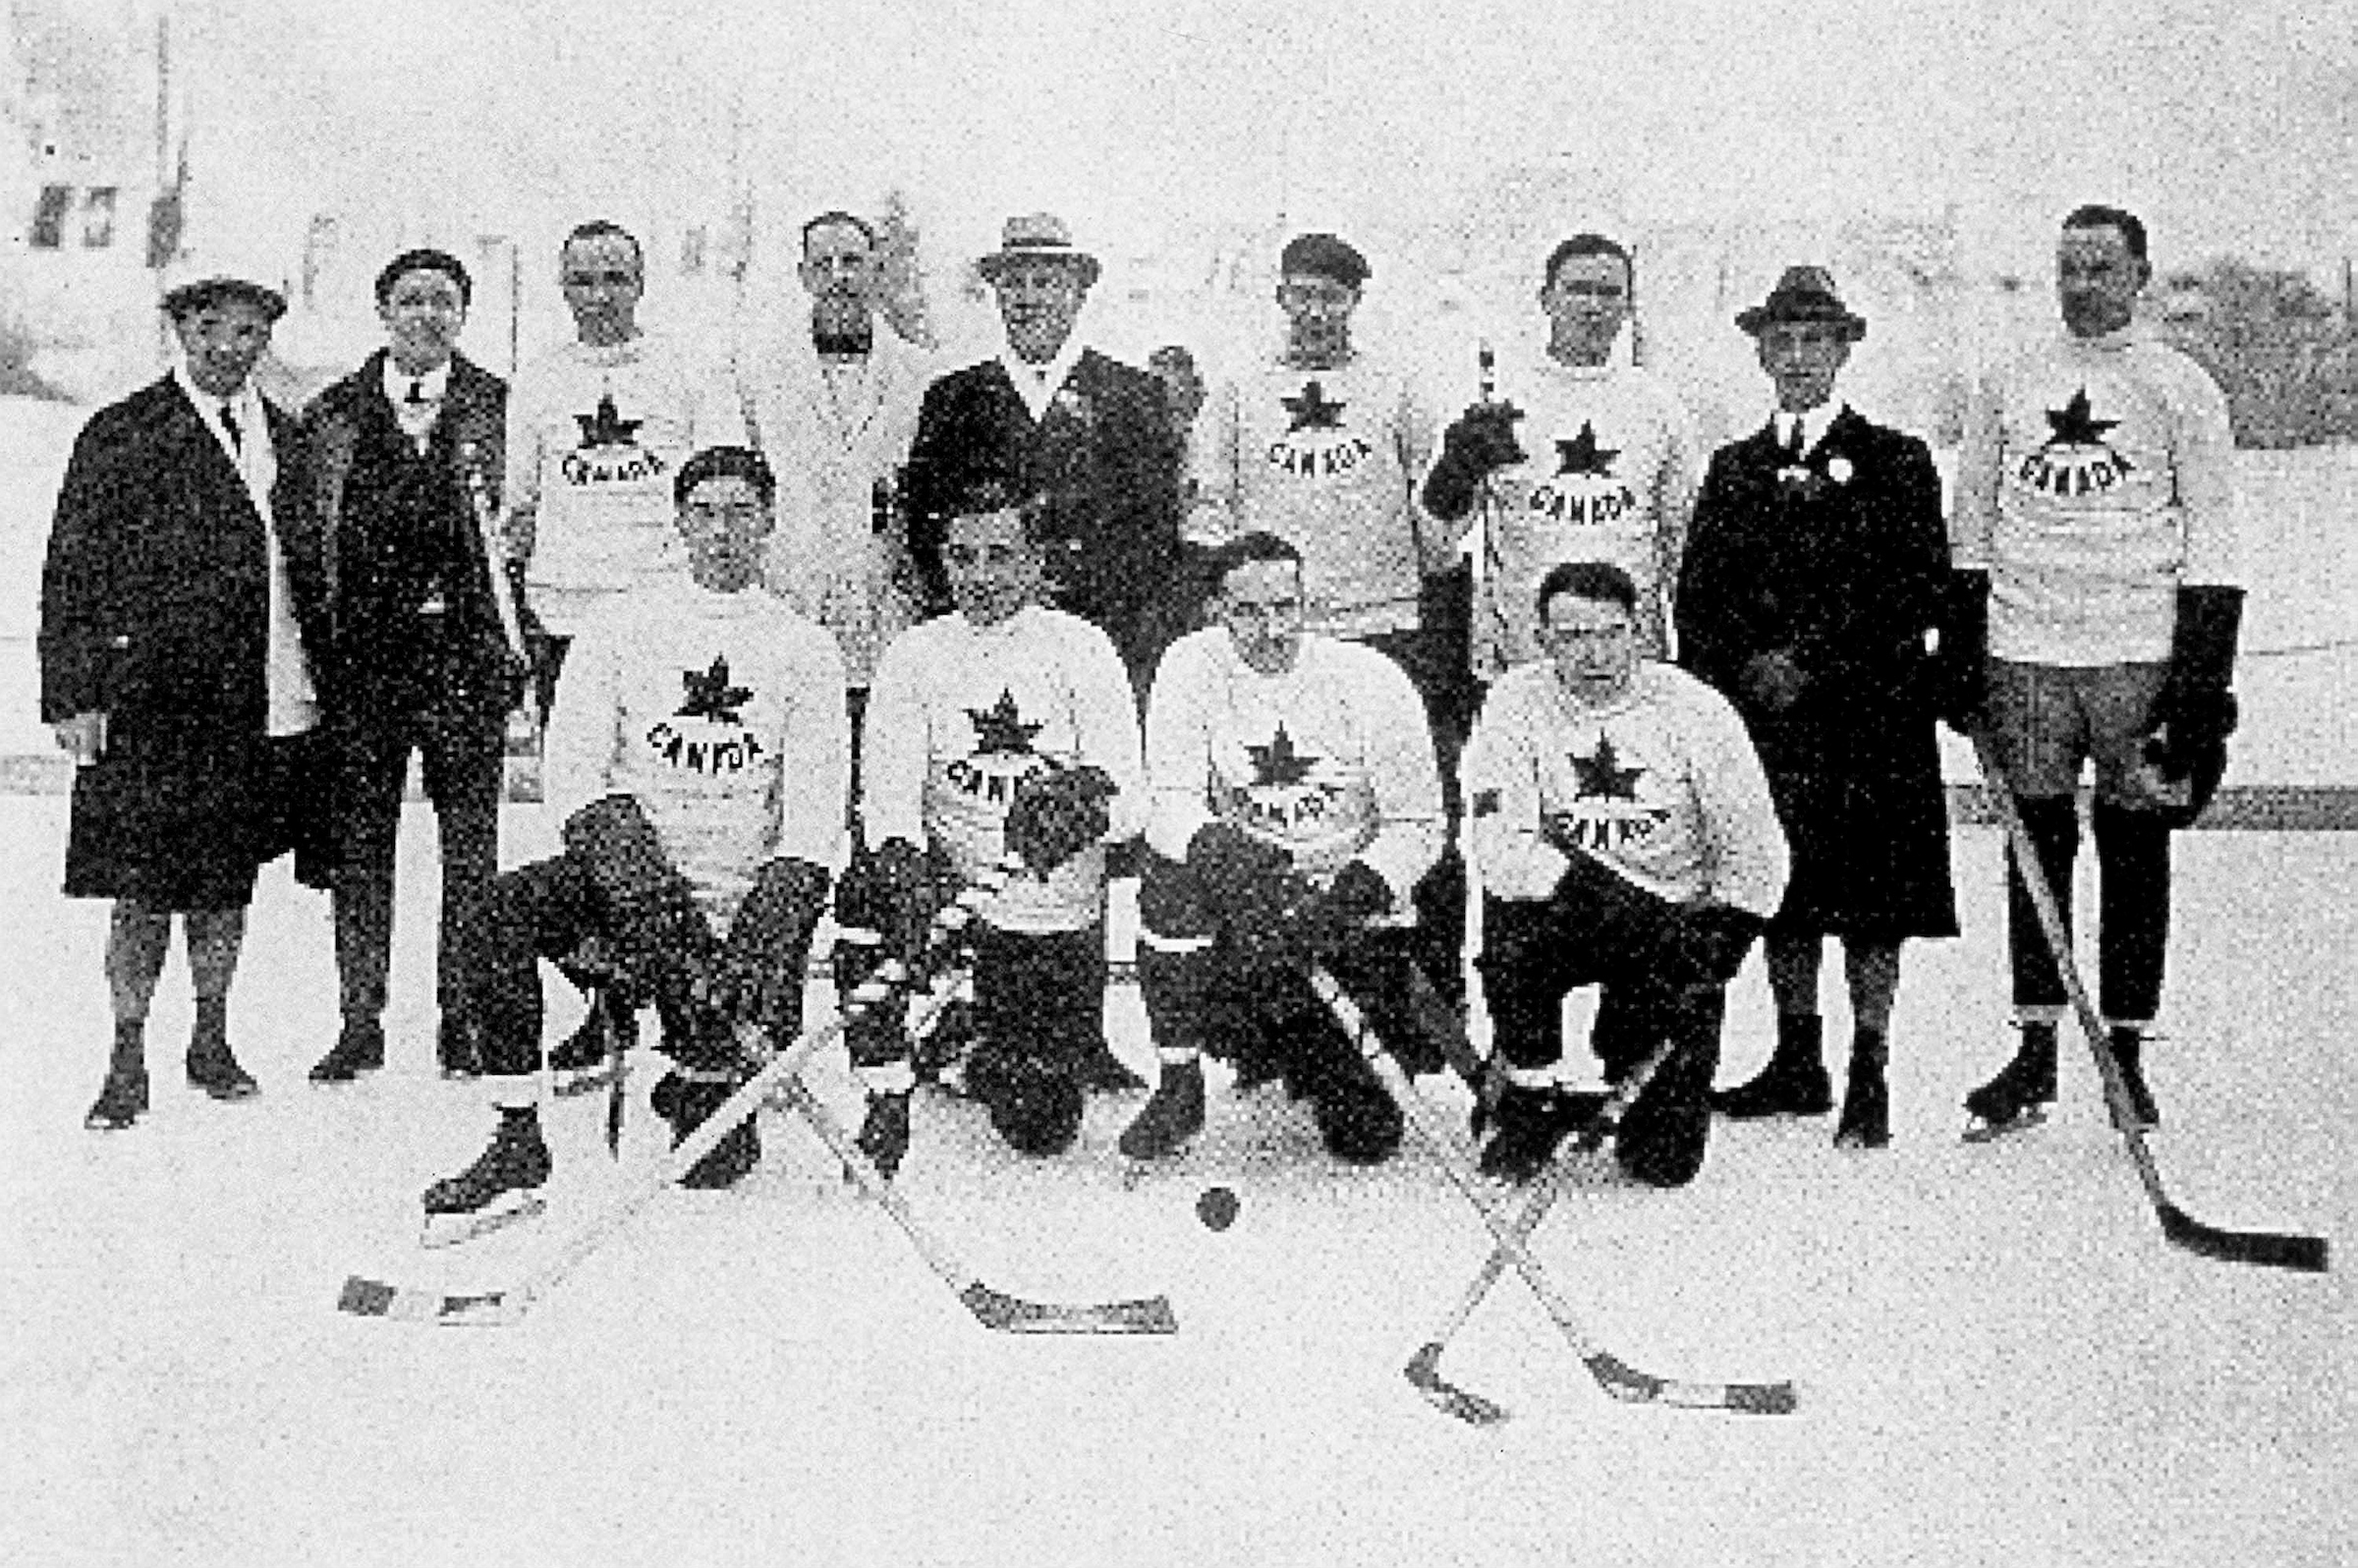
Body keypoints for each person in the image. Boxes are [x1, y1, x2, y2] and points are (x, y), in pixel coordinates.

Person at [421, 447, 846, 1231]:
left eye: (741, 514)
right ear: (679, 522)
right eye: (705, 514)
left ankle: (696, 1073)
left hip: (736, 912)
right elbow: (575, 775)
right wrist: (643, 892)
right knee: (495, 911)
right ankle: (517, 1135)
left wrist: (769, 921)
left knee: (709, 1167)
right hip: (633, 894)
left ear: (769, 524)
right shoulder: (623, 626)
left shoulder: (804, 647)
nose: (722, 533)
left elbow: (817, 813)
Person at [1948, 204, 2243, 1138]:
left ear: (2140, 274)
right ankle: (2033, 1051)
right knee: (2034, 848)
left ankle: (2126, 1056)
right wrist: (1961, 651)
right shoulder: (2012, 378)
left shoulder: (2179, 386)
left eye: (2102, 268)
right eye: (2068, 268)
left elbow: (2215, 544)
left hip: (2134, 649)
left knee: (2133, 845)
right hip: (2027, 649)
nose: (2083, 286)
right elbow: (1972, 523)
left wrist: (2199, 695)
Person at [1675, 266, 1961, 1149]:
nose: (1799, 359)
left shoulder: (1897, 460)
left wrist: (1818, 664)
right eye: (1783, 342)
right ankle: (1798, 1058)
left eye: (1815, 341)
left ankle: (1869, 1062)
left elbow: (1917, 589)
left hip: (1870, 713)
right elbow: (1700, 597)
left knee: (1873, 896)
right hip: (1769, 722)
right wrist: (1746, 671)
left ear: (1843, 352)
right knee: (1782, 884)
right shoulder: (1732, 468)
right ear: (1761, 354)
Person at [40, 264, 332, 1130]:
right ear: (180, 332)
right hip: (149, 699)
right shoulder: (122, 433)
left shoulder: (283, 434)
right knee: (141, 889)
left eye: (246, 333)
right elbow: (71, 570)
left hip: (253, 698)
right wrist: (72, 693)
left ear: (264, 343)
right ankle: (124, 1055)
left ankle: (212, 1037)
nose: (228, 349)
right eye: (210, 329)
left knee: (224, 884)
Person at [1185, 233, 1469, 1004]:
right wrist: (1224, 605)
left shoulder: (1400, 385)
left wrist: (1455, 495)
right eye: (1301, 293)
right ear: (1280, 297)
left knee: (1409, 816)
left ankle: (1430, 1004)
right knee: (1278, 805)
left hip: (1380, 624)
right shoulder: (1241, 390)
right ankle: (1271, 1006)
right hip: (1272, 636)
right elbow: (1209, 512)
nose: (1315, 311)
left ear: (1355, 301)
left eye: (1331, 296)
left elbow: (1438, 528)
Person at [837, 478, 1147, 1173]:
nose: (980, 576)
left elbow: (1131, 806)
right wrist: (909, 873)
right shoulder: (914, 654)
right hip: (950, 890)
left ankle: (972, 1034)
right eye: (963, 556)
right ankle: (886, 1088)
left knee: (1042, 1127)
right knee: (863, 891)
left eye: (1000, 555)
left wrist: (1080, 810)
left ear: (1036, 562)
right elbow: (886, 800)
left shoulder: (1083, 649)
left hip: (1046, 902)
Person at [1118, 532, 1446, 1167]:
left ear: (1306, 603)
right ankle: (1179, 1083)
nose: (1270, 630)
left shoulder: (1371, 681)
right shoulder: (1191, 665)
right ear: (1216, 609)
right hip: (1247, 891)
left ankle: (1303, 1055)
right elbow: (1169, 803)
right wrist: (1236, 862)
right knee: (1168, 878)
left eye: (1284, 608)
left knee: (1365, 1140)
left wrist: (1348, 894)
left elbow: (1420, 825)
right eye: (1247, 612)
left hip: (1342, 900)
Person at [1461, 562, 1788, 1188]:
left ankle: (1626, 1052)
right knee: (1512, 921)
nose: (1595, 654)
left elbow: (1756, 851)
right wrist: (1610, 901)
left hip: (1671, 924)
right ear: (1542, 638)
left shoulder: (1696, 710)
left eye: (1611, 633)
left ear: (1639, 630)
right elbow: (1501, 847)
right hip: (1561, 908)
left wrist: (1724, 944)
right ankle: (1527, 1085)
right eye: (1573, 636)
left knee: (1664, 1164)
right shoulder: (1513, 702)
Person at [503, 218, 734, 1085]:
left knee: (664, 810)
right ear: (564, 290)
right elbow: (523, 501)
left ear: (640, 286)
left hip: (664, 624)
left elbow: (723, 479)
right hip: (569, 620)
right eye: (583, 281)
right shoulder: (542, 377)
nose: (599, 296)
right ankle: (604, 1007)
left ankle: (686, 996)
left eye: (615, 279)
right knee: (585, 819)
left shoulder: (685, 367)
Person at [300, 249, 525, 1085]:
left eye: (443, 301)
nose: (426, 315)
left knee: (471, 847)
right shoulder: (333, 416)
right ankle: (360, 1020)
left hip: (465, 664)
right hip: (368, 668)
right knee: (364, 847)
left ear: (462, 314)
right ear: (383, 311)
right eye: (410, 300)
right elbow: (304, 542)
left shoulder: (502, 409)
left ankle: (461, 1017)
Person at [902, 212, 1188, 699]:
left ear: (1078, 294)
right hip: (985, 636)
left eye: (1047, 283)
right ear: (996, 295)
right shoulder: (953, 398)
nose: (1029, 300)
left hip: (1101, 640)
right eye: (1014, 284)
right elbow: (926, 527)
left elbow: (1156, 536)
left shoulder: (1135, 396)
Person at [1421, 232, 1701, 678]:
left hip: (1630, 652)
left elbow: (1680, 542)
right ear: (1546, 298)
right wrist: (1455, 471)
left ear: (1628, 307)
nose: (1593, 307)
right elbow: (1441, 533)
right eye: (1578, 290)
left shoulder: (1658, 408)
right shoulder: (1499, 403)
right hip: (1528, 647)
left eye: (1609, 293)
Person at [737, 209, 935, 779]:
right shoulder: (760, 376)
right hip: (792, 603)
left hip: (886, 611)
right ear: (802, 275)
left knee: (883, 783)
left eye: (852, 262)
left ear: (876, 269)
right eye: (822, 264)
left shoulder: (922, 377)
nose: (839, 277)